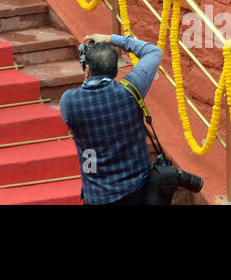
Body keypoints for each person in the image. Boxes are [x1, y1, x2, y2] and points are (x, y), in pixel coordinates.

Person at [59, 33, 165, 205]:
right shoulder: (130, 90)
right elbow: (153, 52)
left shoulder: (69, 101)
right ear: (115, 69)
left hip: (97, 194)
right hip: (136, 187)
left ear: (87, 69)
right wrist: (111, 39)